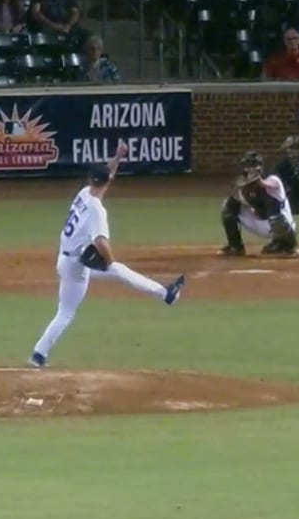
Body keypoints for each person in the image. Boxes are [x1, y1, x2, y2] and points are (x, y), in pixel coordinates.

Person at [27, 144, 186, 369]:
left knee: (119, 273)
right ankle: (38, 354)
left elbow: (106, 174)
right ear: (107, 181)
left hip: (66, 258)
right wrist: (110, 262)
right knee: (66, 312)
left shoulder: (83, 193)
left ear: (92, 180)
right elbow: (101, 241)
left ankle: (165, 294)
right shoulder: (97, 211)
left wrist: (118, 157)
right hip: (76, 268)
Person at [218, 150, 299, 258]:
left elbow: (268, 185)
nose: (248, 169)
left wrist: (258, 181)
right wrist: (242, 188)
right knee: (228, 206)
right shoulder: (244, 187)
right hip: (261, 224)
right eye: (247, 166)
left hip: (283, 226)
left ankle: (288, 246)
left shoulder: (273, 179)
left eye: (251, 166)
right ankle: (235, 246)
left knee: (274, 212)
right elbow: (236, 198)